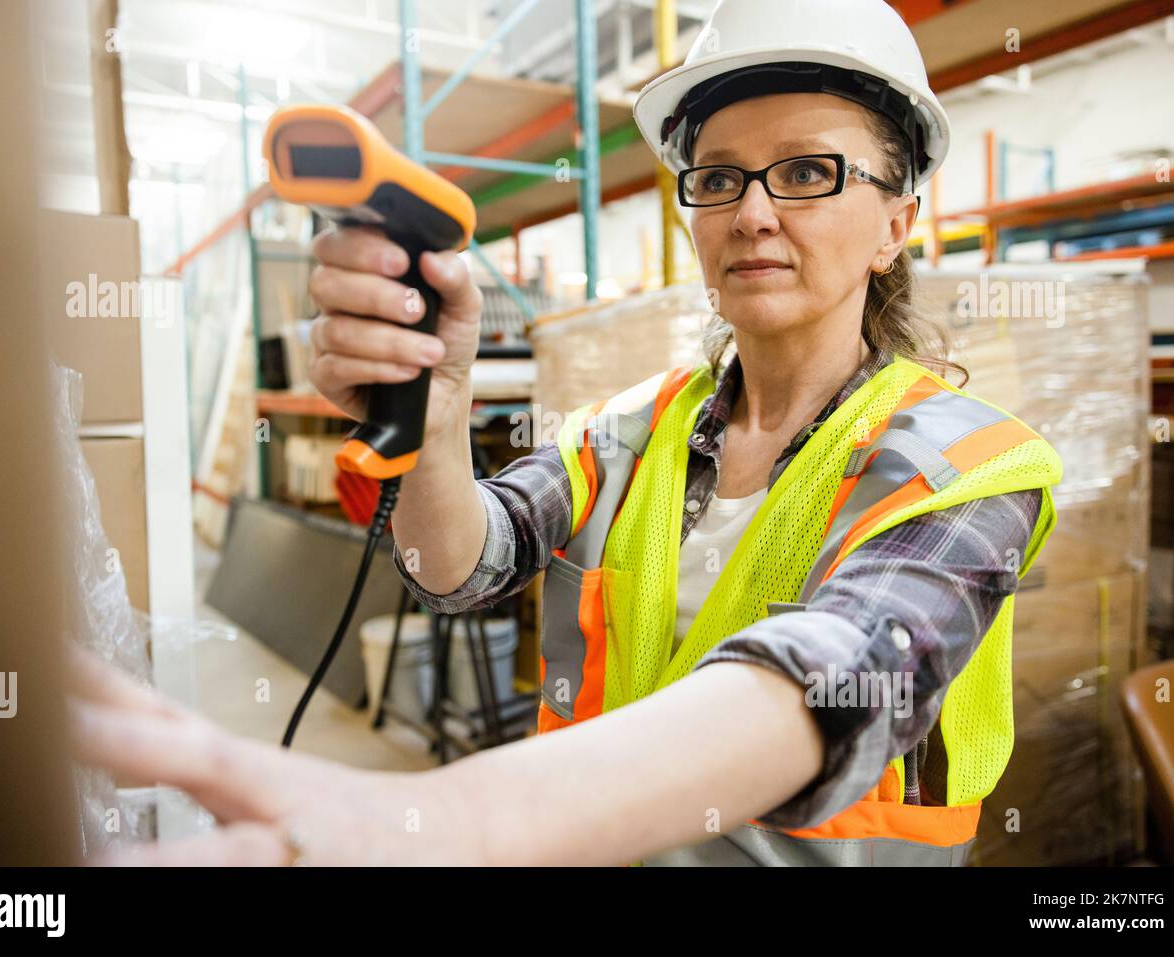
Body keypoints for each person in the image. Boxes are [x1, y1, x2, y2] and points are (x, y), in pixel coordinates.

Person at [72, 0, 1062, 866]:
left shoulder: (973, 465)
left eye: (806, 171)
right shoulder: (629, 430)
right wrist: (443, 405)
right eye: (718, 178)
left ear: (895, 224)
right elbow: (455, 568)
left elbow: (841, 675)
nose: (752, 213)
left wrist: (448, 822)